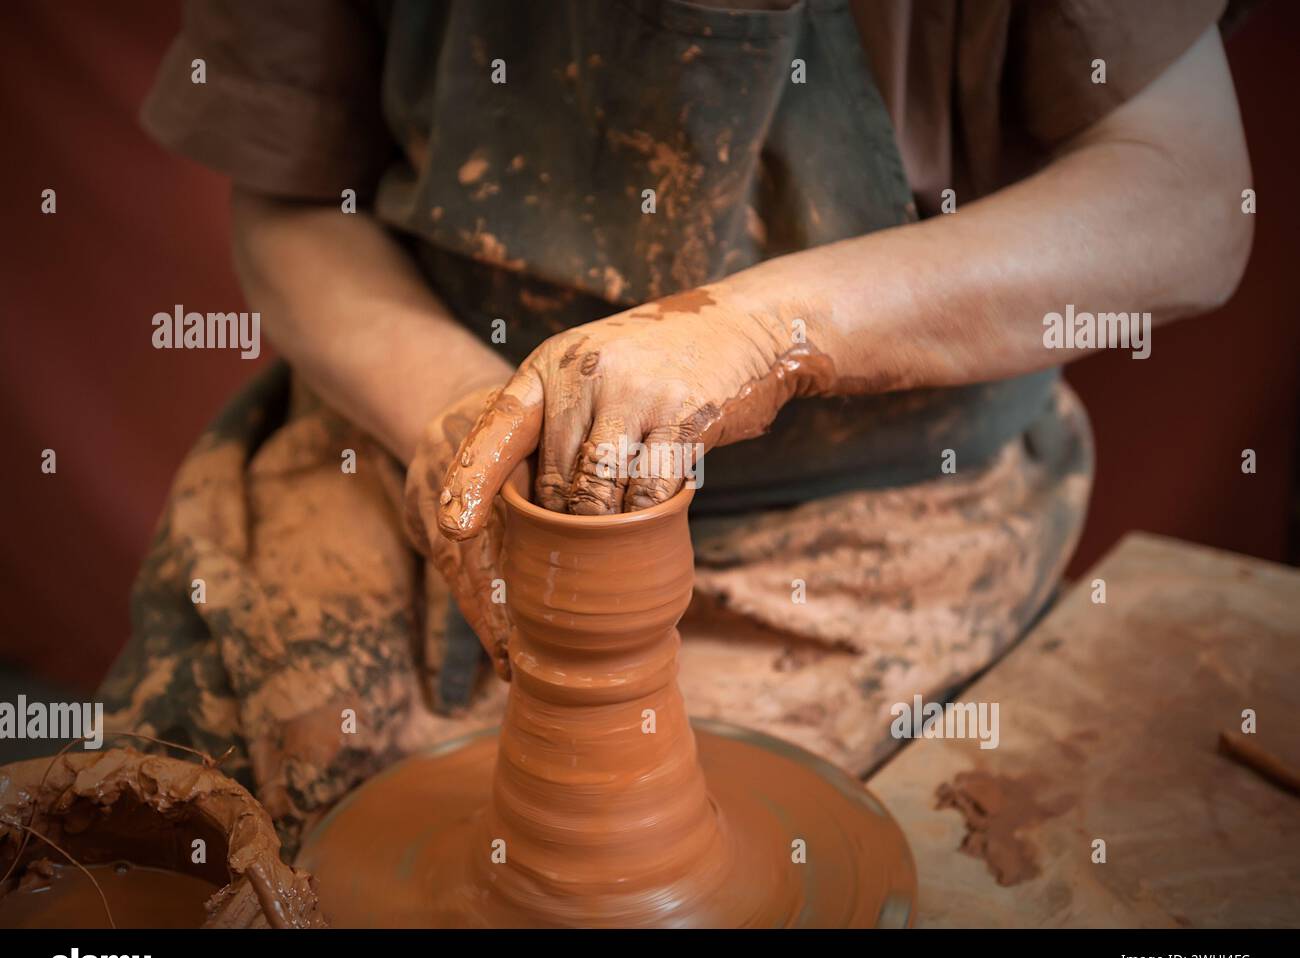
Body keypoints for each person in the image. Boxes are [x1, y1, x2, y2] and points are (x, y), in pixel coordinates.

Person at [103, 0, 1252, 854]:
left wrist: (762, 331)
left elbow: (1188, 196)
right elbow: (293, 193)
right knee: (187, 824)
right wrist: (448, 410)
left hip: (871, 492)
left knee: (737, 851)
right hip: (406, 417)